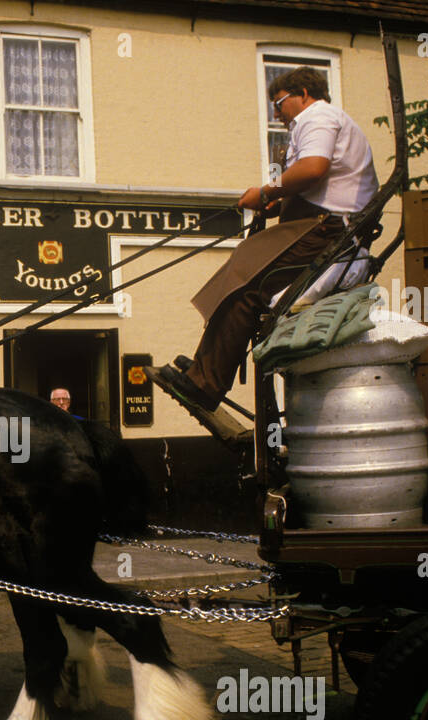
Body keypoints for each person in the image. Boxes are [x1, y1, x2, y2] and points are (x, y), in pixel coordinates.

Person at [149, 66, 379, 444]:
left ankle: (205, 383)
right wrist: (274, 203)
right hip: (326, 225)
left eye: (279, 104)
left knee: (247, 287)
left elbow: (313, 168)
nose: (277, 113)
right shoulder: (330, 120)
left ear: (303, 92)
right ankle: (204, 374)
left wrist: (268, 192)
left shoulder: (316, 115)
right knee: (244, 269)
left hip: (327, 232)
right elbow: (319, 180)